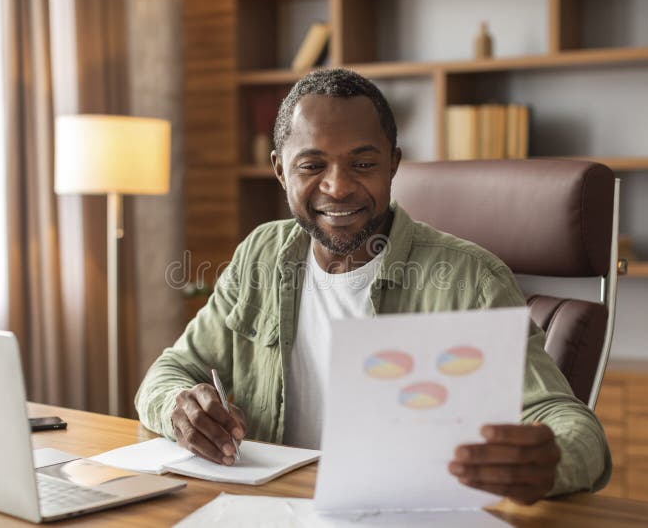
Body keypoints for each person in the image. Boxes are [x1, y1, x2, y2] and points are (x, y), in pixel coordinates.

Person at [136, 68, 611, 505]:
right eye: (312, 166)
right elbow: (172, 370)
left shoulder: (471, 280)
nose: (338, 187)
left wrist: (552, 460)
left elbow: (569, 423)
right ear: (281, 170)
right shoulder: (261, 254)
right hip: (277, 512)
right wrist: (180, 408)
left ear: (393, 165)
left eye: (362, 164)